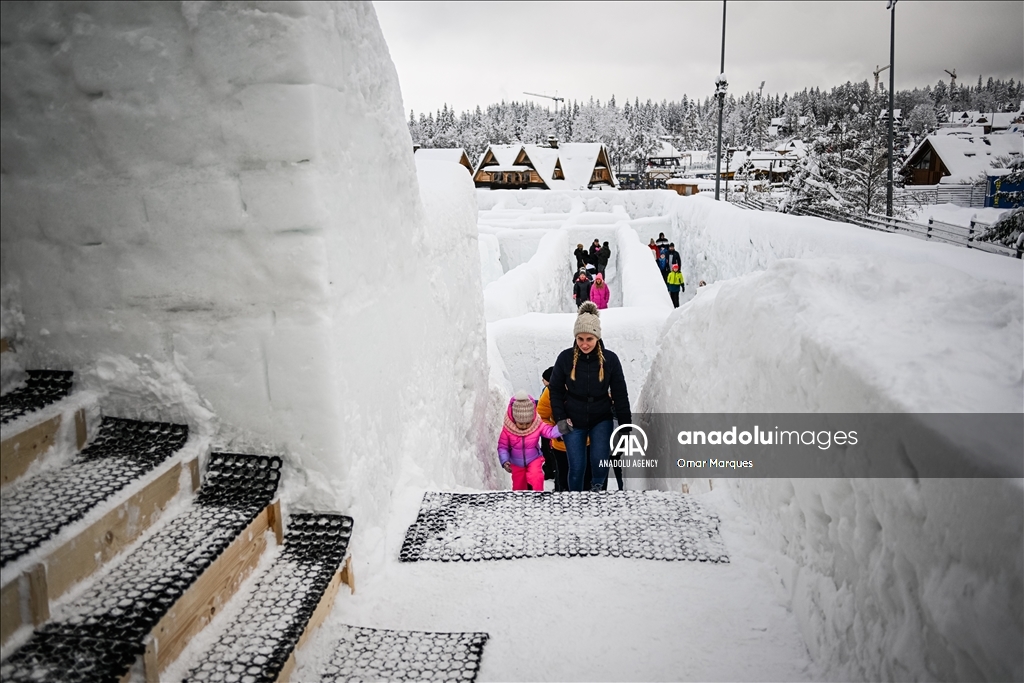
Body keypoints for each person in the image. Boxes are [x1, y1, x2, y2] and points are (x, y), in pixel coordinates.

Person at [548, 302, 631, 492]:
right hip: (573, 419)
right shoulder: (565, 358)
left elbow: (620, 392)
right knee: (576, 468)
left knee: (599, 462)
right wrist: (560, 419)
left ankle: (597, 495)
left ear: (597, 337)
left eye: (589, 339)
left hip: (600, 418)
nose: (584, 344)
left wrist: (625, 424)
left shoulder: (610, 360)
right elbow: (555, 390)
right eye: (580, 338)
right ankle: (575, 500)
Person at [497, 390, 572, 491]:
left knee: (536, 477)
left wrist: (562, 427)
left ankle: (538, 496)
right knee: (519, 485)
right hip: (516, 462)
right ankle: (520, 502)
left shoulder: (537, 424)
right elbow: (503, 446)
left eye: (527, 423)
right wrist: (505, 461)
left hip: (534, 459)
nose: (524, 426)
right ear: (514, 420)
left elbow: (549, 432)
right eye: (521, 424)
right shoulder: (508, 429)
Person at [537, 367, 570, 491]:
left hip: (582, 444)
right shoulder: (549, 392)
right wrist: (554, 432)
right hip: (560, 443)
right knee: (562, 472)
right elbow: (541, 415)